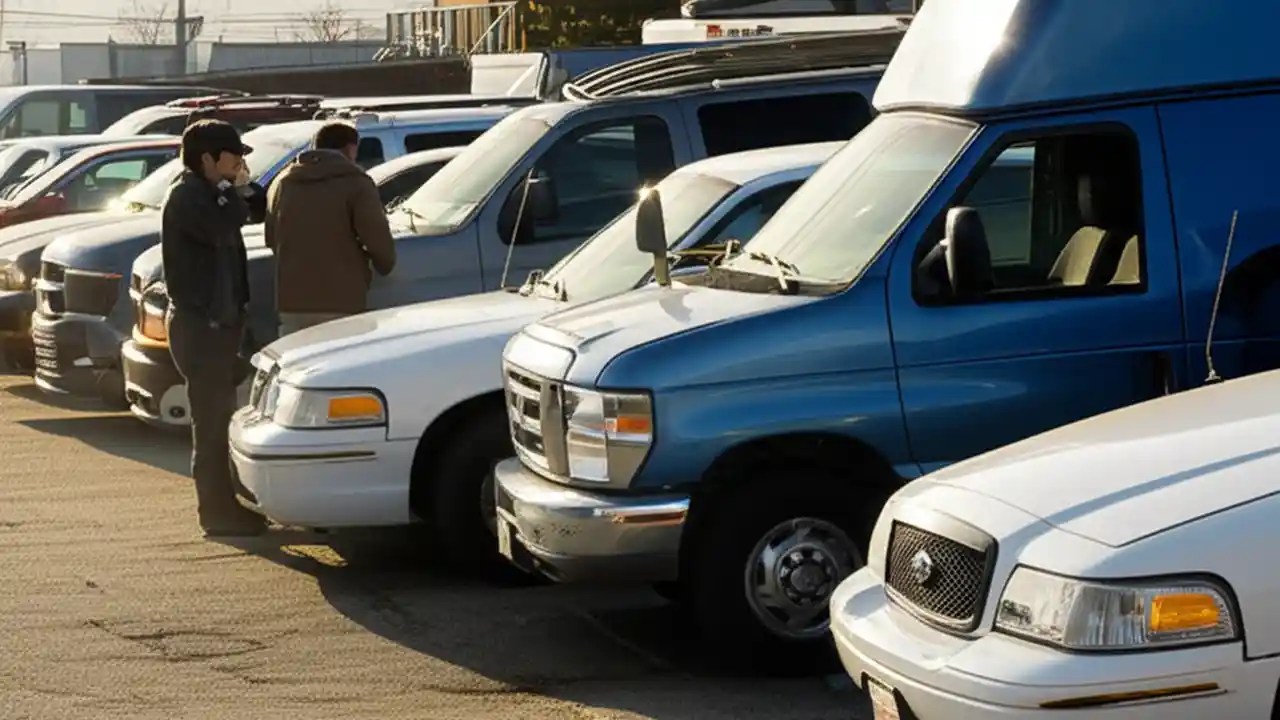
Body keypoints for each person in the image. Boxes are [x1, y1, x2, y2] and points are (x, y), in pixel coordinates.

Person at [162, 119, 266, 538]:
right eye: (233, 154)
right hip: (200, 327)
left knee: (224, 419)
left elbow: (255, 206)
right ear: (208, 158)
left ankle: (230, 506)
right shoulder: (188, 196)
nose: (240, 162)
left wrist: (238, 187)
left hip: (220, 324)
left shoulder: (212, 194)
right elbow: (225, 226)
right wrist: (232, 192)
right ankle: (217, 514)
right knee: (211, 426)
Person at [265, 122, 395, 336]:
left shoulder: (283, 182)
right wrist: (384, 265)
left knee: (299, 363)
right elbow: (376, 238)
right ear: (350, 149)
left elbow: (271, 238)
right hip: (342, 298)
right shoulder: (356, 182)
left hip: (292, 300)